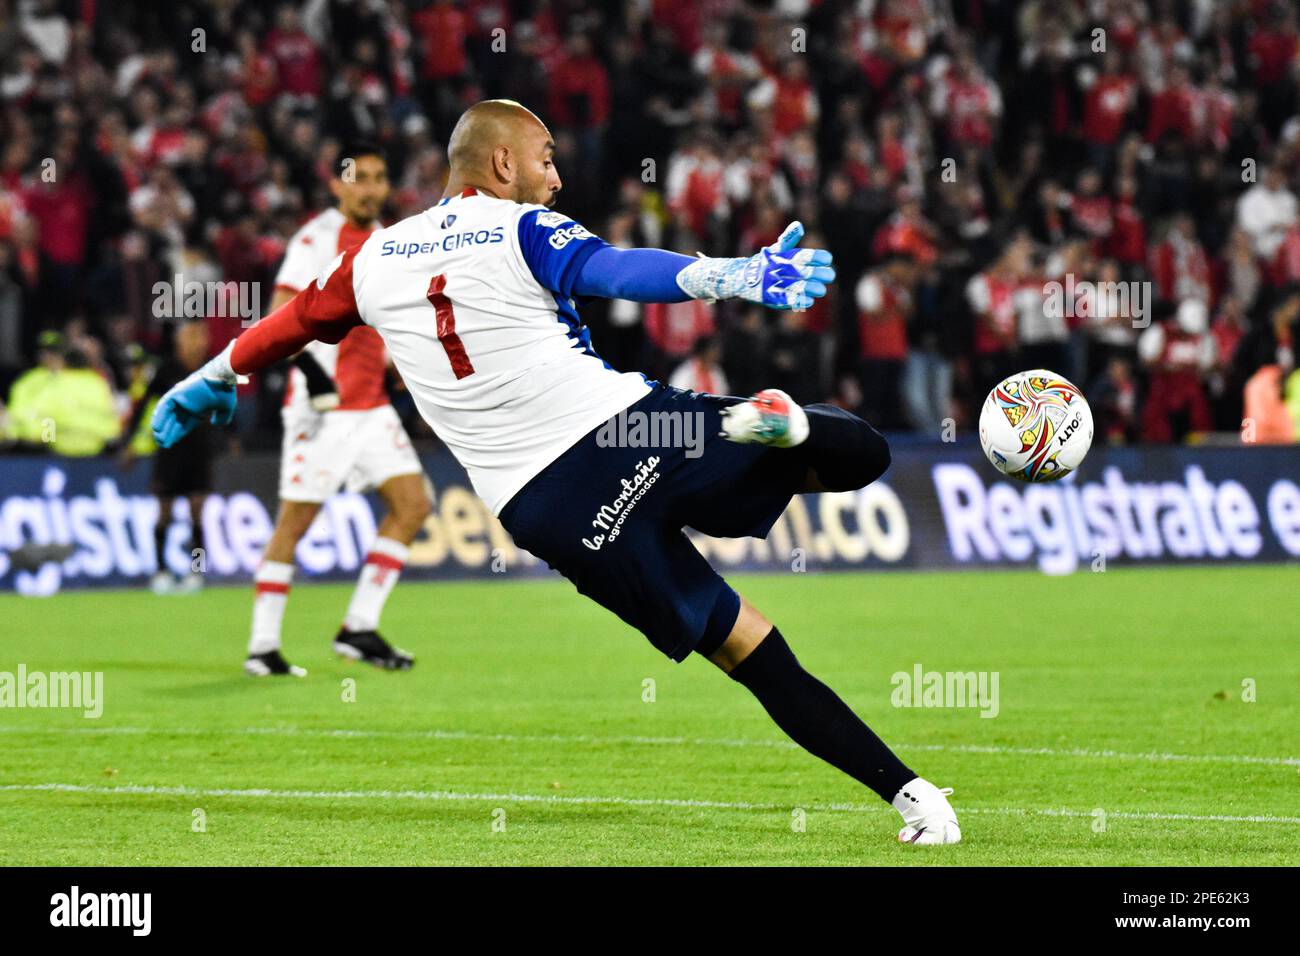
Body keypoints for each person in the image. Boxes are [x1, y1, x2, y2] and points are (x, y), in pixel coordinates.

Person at [151, 100, 960, 845]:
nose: (557, 176)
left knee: (749, 650)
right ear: (501, 165)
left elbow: (289, 325)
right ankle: (786, 429)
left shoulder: (373, 259)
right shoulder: (517, 229)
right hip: (634, 431)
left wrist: (210, 376)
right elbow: (614, 271)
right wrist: (730, 274)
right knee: (860, 452)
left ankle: (914, 799)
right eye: (545, 158)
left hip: (547, 510)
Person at [248, 142, 432, 678]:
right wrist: (307, 371)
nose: (370, 188)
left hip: (371, 405)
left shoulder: (384, 242)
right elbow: (280, 312)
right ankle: (262, 646)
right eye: (360, 178)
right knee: (296, 522)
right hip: (322, 408)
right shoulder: (317, 238)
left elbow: (388, 321)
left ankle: (358, 627)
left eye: (379, 177)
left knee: (413, 505)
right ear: (337, 185)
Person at [121, 320, 217, 594]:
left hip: (199, 450)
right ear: (179, 342)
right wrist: (129, 443)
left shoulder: (212, 368)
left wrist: (232, 436)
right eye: (192, 338)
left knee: (197, 513)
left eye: (201, 338)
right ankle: (161, 570)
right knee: (164, 513)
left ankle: (196, 572)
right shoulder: (166, 371)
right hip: (170, 450)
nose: (198, 343)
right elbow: (143, 408)